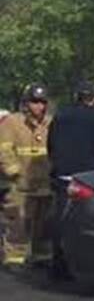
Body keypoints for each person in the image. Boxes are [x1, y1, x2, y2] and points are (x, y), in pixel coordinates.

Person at [47, 80, 94, 278]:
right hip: (88, 179)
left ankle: (58, 265)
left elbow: (50, 146)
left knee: (61, 220)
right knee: (88, 222)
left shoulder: (59, 116)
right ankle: (86, 264)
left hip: (63, 176)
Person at [0, 84, 54, 270]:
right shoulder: (12, 122)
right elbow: (3, 149)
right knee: (18, 221)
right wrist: (13, 171)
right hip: (20, 183)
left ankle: (42, 255)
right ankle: (14, 257)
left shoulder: (50, 123)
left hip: (45, 182)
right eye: (35, 101)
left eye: (42, 102)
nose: (39, 106)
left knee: (44, 222)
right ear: (25, 103)